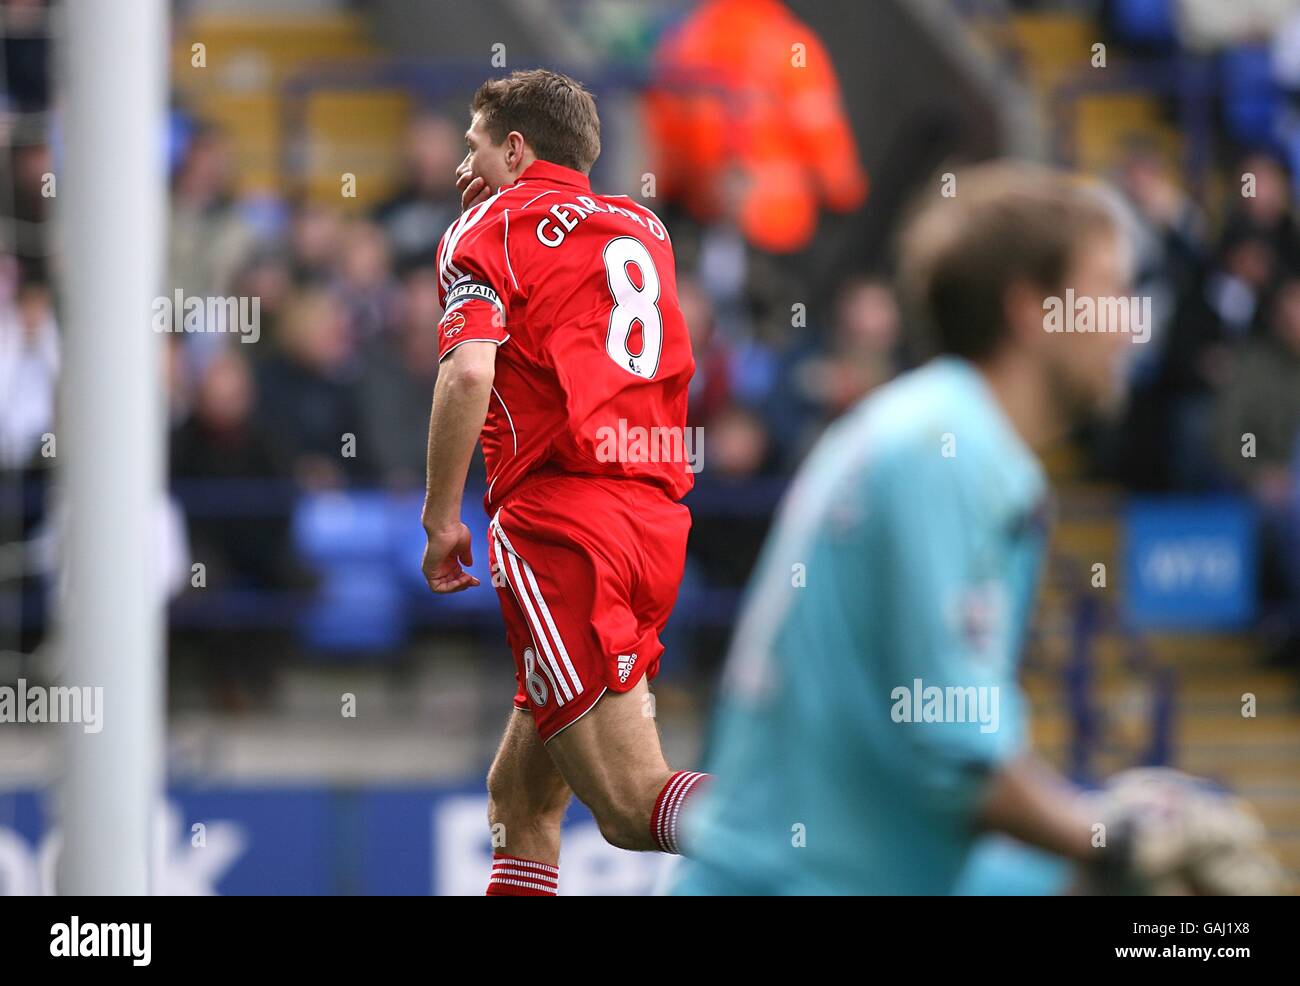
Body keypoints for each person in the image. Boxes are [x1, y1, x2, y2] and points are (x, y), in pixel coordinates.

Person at [668, 163, 1262, 895]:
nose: (1130, 321)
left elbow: (927, 820)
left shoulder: (936, 431)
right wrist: (1114, 841)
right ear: (1031, 309)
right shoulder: (951, 452)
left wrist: (1086, 852)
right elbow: (958, 765)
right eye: (1109, 289)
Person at [419, 69, 710, 895]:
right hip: (652, 519)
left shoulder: (485, 229)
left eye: (472, 144)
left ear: (515, 149)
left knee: (627, 804)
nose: (458, 167)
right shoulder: (644, 226)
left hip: (562, 524)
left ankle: (823, 831)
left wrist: (442, 517)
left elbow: (469, 373)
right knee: (520, 800)